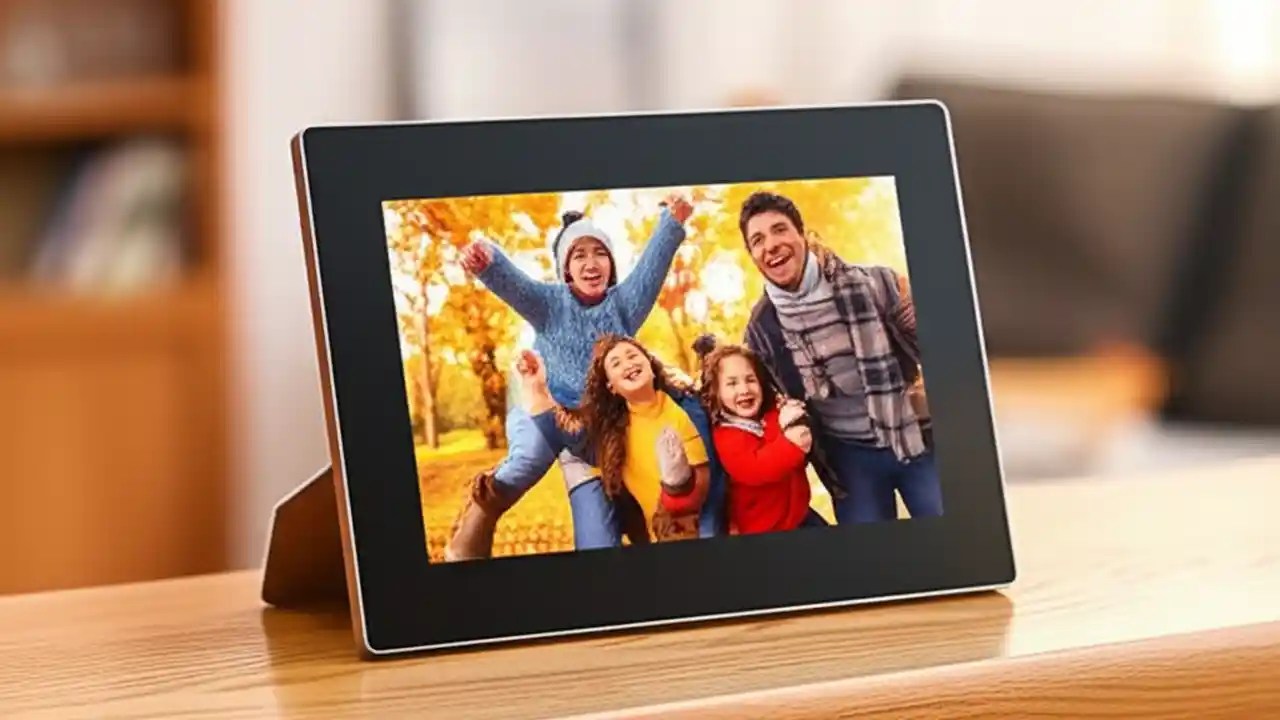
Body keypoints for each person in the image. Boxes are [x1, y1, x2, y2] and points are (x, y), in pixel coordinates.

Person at [446, 196, 694, 560]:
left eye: (600, 254)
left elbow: (652, 266)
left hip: (595, 432)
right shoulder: (549, 303)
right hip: (543, 403)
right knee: (528, 459)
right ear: (565, 269)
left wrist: (671, 221)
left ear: (611, 264)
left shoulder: (625, 303)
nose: (591, 264)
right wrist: (487, 260)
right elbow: (513, 283)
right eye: (579, 256)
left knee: (602, 537)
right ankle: (477, 512)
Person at [739, 191, 942, 523]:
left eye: (779, 230)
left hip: (914, 435)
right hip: (848, 460)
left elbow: (939, 349)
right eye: (757, 240)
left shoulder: (878, 283)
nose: (771, 245)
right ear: (753, 256)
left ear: (801, 235)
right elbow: (764, 406)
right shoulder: (762, 329)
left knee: (952, 537)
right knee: (872, 564)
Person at [519, 335, 727, 543]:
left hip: (708, 526)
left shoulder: (687, 408)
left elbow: (712, 476)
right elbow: (565, 433)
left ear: (651, 365)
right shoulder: (612, 436)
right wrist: (536, 387)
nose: (628, 364)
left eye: (632, 356)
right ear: (611, 387)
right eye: (616, 363)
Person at [695, 340, 827, 534]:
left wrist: (789, 416)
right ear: (717, 393)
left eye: (750, 379)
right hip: (764, 529)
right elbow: (757, 468)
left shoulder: (771, 415)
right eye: (732, 383)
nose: (744, 389)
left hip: (799, 515)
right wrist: (792, 443)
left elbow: (783, 427)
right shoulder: (727, 435)